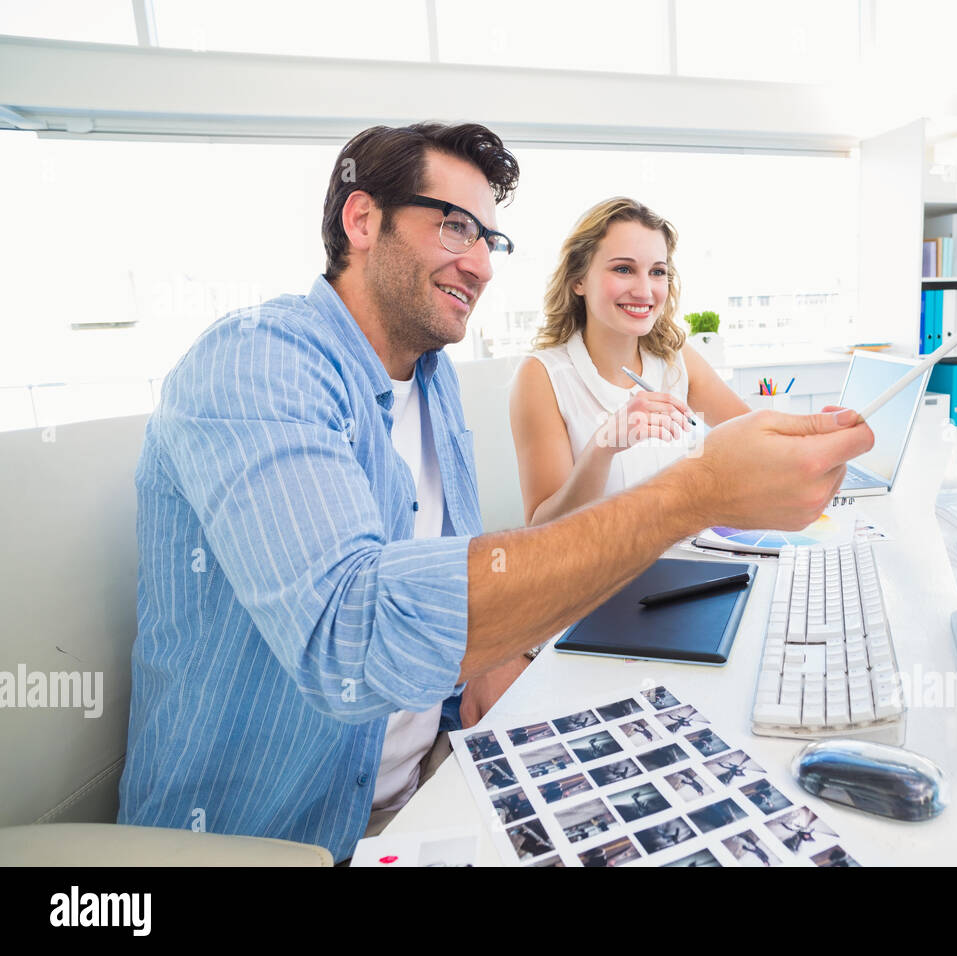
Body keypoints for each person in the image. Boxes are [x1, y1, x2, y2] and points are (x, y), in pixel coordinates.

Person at [117, 121, 873, 864]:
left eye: (489, 240)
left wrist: (498, 669)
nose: (479, 264)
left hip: (433, 775)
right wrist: (692, 493)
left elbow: (456, 576)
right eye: (454, 228)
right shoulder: (259, 360)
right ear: (362, 219)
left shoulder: (432, 381)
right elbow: (353, 640)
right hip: (288, 835)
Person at [510, 197, 752, 525]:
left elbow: (752, 436)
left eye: (657, 272)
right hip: (605, 573)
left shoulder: (676, 360)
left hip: (690, 558)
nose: (644, 290)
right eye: (623, 269)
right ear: (578, 280)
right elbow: (542, 527)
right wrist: (604, 447)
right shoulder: (542, 376)